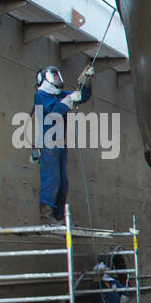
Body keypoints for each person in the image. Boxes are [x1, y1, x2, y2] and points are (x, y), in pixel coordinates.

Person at [34, 64, 94, 224]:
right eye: (54, 76)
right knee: (52, 179)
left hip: (60, 144)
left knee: (62, 182)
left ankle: (58, 216)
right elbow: (54, 112)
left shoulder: (58, 94)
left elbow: (82, 96)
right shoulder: (41, 95)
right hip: (49, 144)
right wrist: (68, 100)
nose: (57, 79)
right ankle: (46, 217)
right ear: (45, 78)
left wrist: (86, 80)